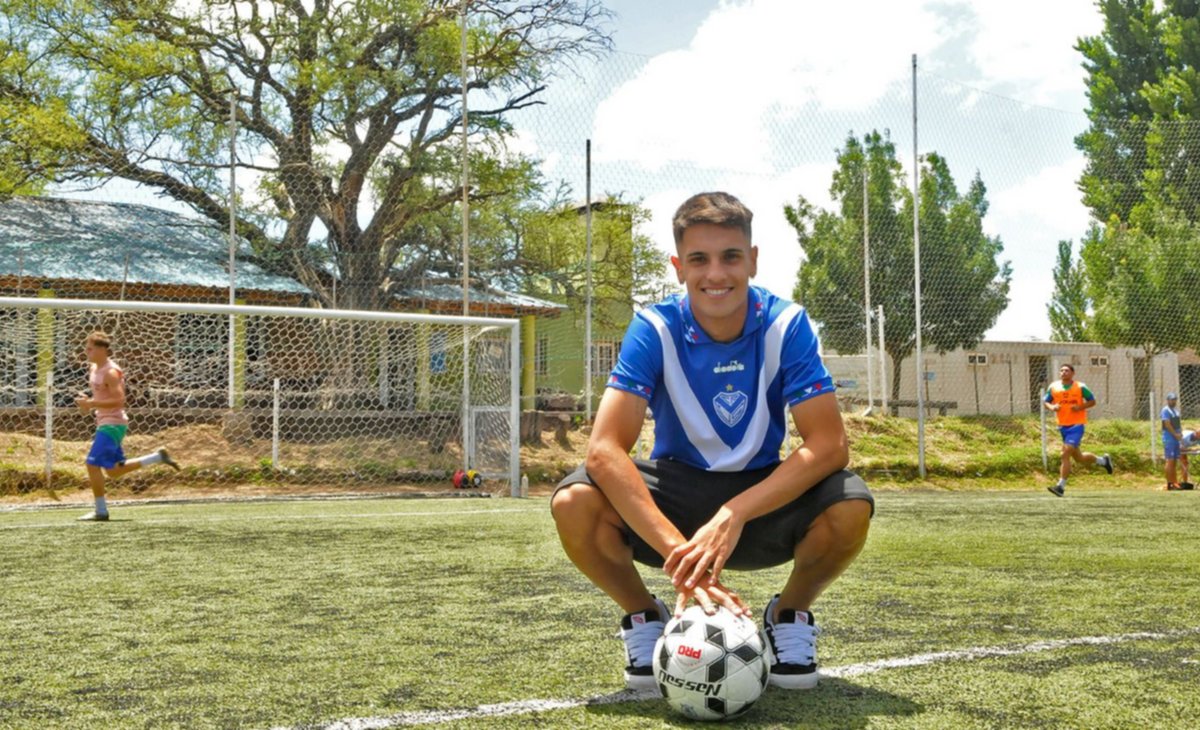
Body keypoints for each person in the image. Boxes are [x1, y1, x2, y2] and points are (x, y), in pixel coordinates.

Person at [550, 192, 873, 693]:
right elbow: (604, 450)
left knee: (850, 504)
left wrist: (733, 514)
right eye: (699, 259)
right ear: (679, 267)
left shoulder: (786, 325)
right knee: (575, 501)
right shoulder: (654, 327)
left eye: (731, 257)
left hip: (760, 499)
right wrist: (686, 561)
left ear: (753, 260)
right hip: (678, 496)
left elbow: (829, 445)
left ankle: (789, 613)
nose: (715, 274)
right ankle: (644, 618)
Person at [75, 331, 180, 521]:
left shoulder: (111, 372)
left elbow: (119, 400)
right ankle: (157, 457)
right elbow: (101, 398)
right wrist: (88, 403)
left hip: (113, 424)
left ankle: (101, 511)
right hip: (104, 422)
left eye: (90, 348)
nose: (86, 351)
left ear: (101, 349)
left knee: (91, 464)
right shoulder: (93, 369)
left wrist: (91, 404)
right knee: (113, 471)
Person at [1043, 363, 1113, 497]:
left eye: (1067, 370)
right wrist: (1052, 408)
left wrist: (1080, 407)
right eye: (1061, 370)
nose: (1063, 372)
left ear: (1073, 373)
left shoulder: (1080, 387)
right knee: (1079, 458)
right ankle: (1103, 461)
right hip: (1063, 426)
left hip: (1077, 425)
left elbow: (1092, 401)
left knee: (1064, 454)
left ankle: (1060, 487)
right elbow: (1046, 401)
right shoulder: (1053, 387)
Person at [1160, 392, 1190, 491]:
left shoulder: (1175, 411)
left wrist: (1180, 434)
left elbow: (1178, 424)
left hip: (1176, 439)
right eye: (1171, 400)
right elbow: (1167, 424)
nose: (1173, 401)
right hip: (1169, 438)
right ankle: (1170, 483)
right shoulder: (1165, 410)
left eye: (1175, 400)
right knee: (1170, 461)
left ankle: (1175, 483)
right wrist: (1175, 434)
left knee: (1175, 462)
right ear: (1167, 400)